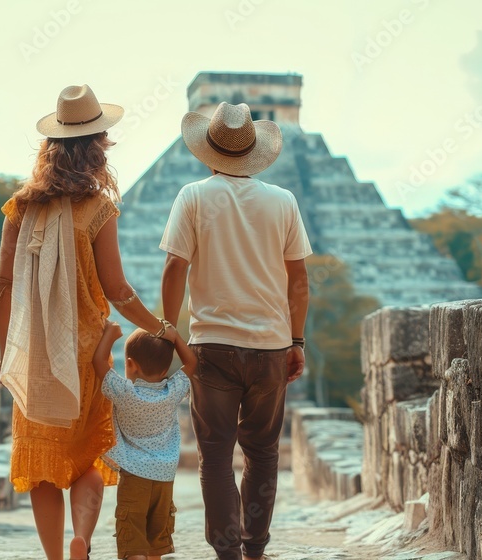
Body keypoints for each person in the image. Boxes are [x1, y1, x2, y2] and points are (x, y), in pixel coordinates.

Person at [0, 84, 179, 560]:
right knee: (86, 460)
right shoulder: (99, 209)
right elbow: (118, 291)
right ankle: (81, 537)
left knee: (41, 468)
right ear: (97, 147)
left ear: (50, 146)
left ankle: (56, 557)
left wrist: (7, 355)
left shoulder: (19, 208)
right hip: (87, 357)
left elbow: (4, 288)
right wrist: (160, 327)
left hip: (34, 356)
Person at [159, 102, 312, 560]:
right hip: (271, 346)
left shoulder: (193, 196)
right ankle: (255, 549)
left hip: (212, 347)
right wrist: (297, 340)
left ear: (209, 153)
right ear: (254, 153)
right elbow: (299, 280)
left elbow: (174, 267)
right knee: (263, 453)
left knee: (216, 456)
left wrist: (170, 334)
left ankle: (226, 552)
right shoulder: (283, 200)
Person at [91, 319, 197, 560]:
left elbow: (98, 363)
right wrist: (175, 338)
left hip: (134, 474)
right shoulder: (173, 391)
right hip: (165, 476)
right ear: (165, 370)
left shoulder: (125, 393)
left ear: (130, 364)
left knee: (133, 534)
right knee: (156, 538)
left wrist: (110, 334)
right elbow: (192, 362)